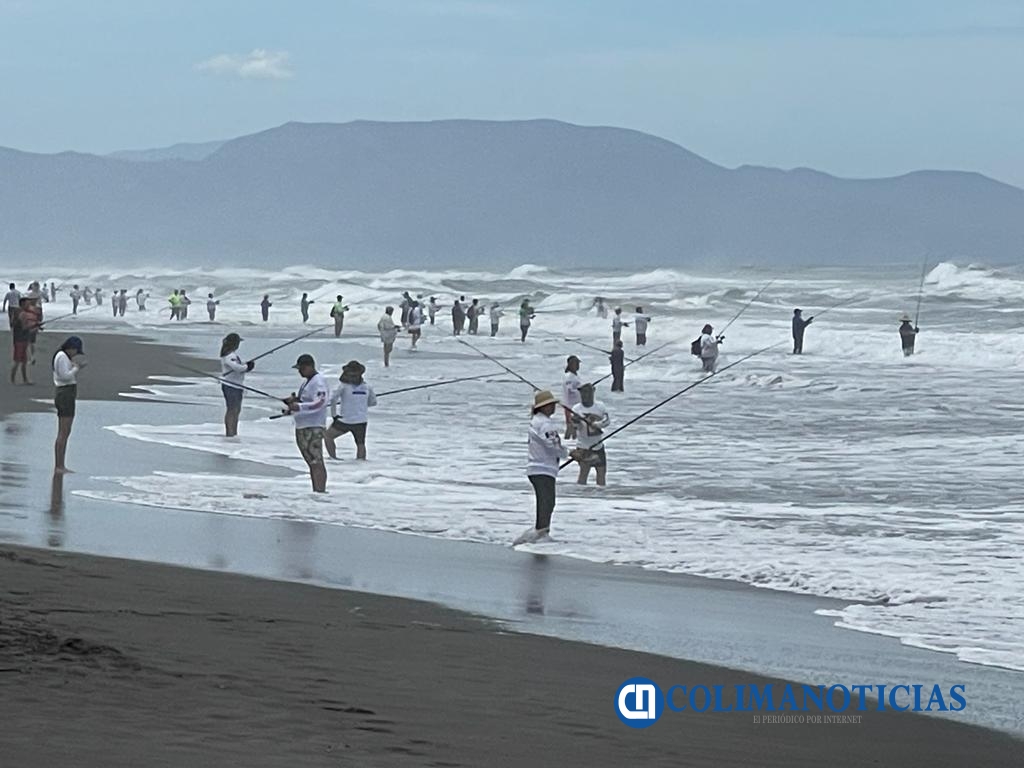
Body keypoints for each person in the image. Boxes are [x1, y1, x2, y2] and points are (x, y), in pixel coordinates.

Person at [515, 390, 567, 545]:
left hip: (539, 468)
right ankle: (540, 533)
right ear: (543, 407)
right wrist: (571, 453)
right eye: (550, 405)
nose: (553, 408)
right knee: (547, 501)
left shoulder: (537, 421)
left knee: (546, 501)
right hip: (542, 468)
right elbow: (553, 445)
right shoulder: (544, 424)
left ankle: (542, 532)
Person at [283, 354, 329, 493]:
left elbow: (321, 402)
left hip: (313, 427)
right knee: (311, 462)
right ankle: (316, 490)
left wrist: (299, 407)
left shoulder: (318, 381)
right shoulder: (307, 382)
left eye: (302, 368)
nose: (300, 371)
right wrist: (294, 400)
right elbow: (307, 400)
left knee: (316, 461)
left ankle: (320, 491)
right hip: (303, 425)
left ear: (310, 366)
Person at [325, 360, 377, 461]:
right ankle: (361, 464)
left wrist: (334, 415)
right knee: (360, 444)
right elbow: (373, 403)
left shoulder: (343, 386)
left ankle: (333, 458)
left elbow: (332, 399)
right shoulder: (367, 387)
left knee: (327, 436)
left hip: (345, 420)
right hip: (361, 420)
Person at [53, 336, 85, 473]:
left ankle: (60, 464)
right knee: (63, 432)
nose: (75, 354)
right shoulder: (61, 357)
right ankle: (59, 465)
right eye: (75, 351)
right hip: (65, 394)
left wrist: (73, 366)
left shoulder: (63, 357)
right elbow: (65, 376)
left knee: (65, 431)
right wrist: (76, 368)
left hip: (66, 393)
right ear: (70, 348)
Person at [571, 383, 610, 487]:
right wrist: (576, 421)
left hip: (598, 445)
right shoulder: (576, 409)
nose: (585, 395)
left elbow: (607, 421)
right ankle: (581, 498)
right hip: (583, 447)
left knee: (601, 475)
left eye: (587, 392)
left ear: (593, 392)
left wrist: (597, 424)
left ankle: (601, 498)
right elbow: (575, 427)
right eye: (582, 393)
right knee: (583, 473)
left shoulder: (600, 406)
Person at [219, 333, 253, 437]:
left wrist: (246, 365)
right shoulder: (230, 356)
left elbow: (239, 366)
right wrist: (247, 367)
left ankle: (234, 431)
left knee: (236, 409)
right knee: (232, 409)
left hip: (237, 385)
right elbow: (237, 368)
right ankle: (230, 432)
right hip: (231, 386)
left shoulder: (232, 355)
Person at [10, 298, 33, 384]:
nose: (29, 306)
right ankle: (13, 380)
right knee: (18, 360)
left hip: (17, 339)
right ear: (22, 304)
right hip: (21, 340)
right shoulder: (23, 314)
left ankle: (25, 380)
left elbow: (13, 324)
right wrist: (34, 326)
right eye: (28, 304)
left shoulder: (16, 312)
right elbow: (24, 328)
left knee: (23, 360)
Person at [562, 355, 583, 439]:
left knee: (575, 428)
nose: (578, 366)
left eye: (578, 364)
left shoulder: (576, 376)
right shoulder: (569, 377)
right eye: (576, 364)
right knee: (571, 427)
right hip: (570, 406)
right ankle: (566, 442)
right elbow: (570, 390)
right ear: (571, 365)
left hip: (577, 406)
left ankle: (572, 443)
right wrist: (581, 390)